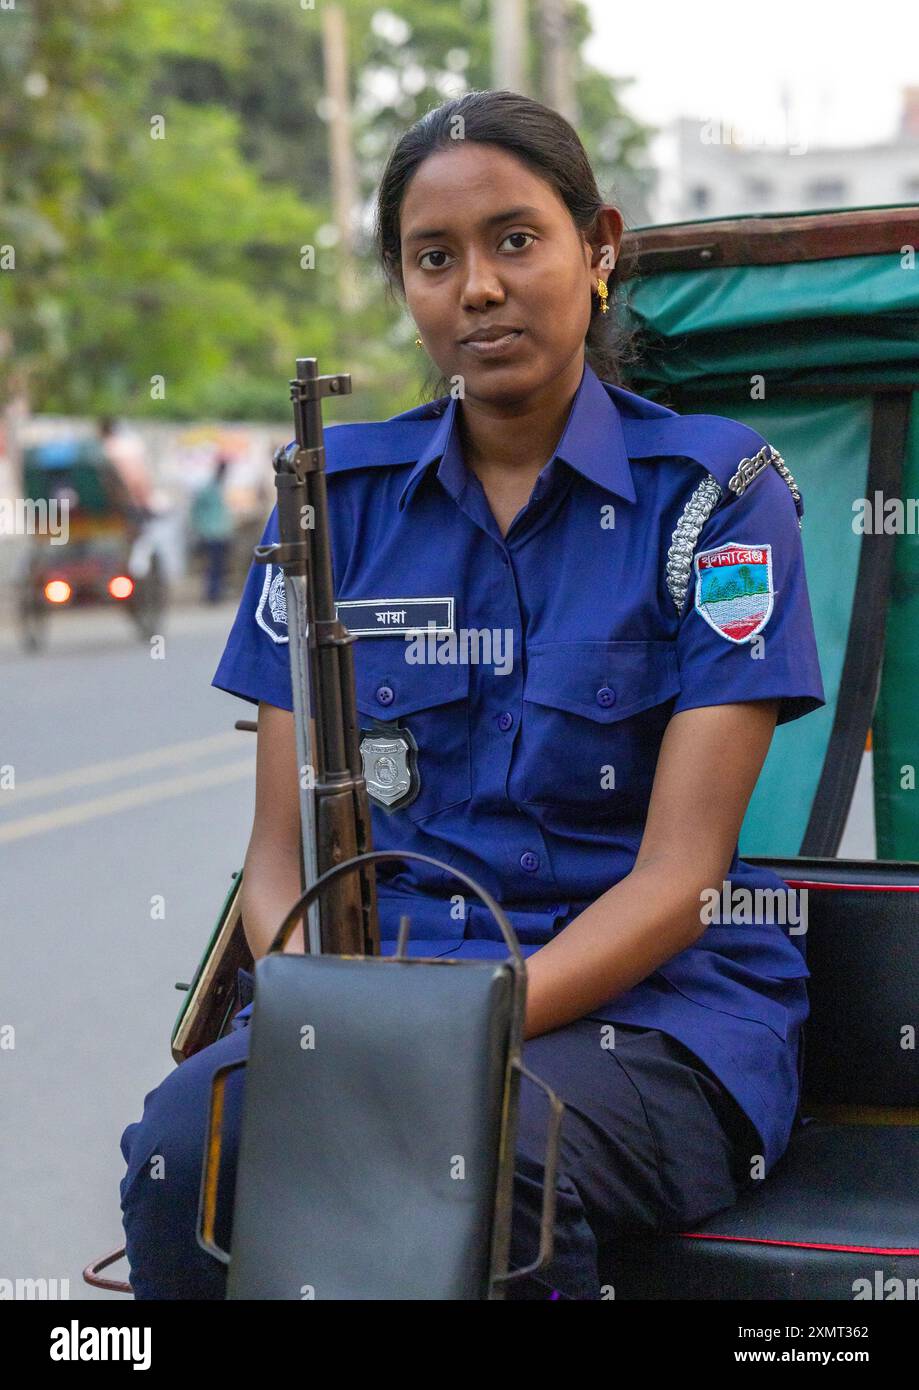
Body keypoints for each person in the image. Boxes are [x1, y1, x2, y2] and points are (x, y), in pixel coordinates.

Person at [118, 89, 825, 1300]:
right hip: (371, 996)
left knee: (473, 1169)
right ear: (403, 286)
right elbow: (279, 853)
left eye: (515, 239)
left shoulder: (714, 495)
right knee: (185, 1153)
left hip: (648, 1019)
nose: (478, 287)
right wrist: (332, 1009)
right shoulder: (329, 506)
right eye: (432, 258)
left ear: (596, 245)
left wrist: (458, 1026)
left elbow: (681, 876)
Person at [190, 456, 235, 604]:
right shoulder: (208, 489)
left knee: (219, 566)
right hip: (211, 534)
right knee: (213, 566)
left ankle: (216, 593)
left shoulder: (218, 488)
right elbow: (196, 510)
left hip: (221, 533)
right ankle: (212, 594)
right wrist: (199, 528)